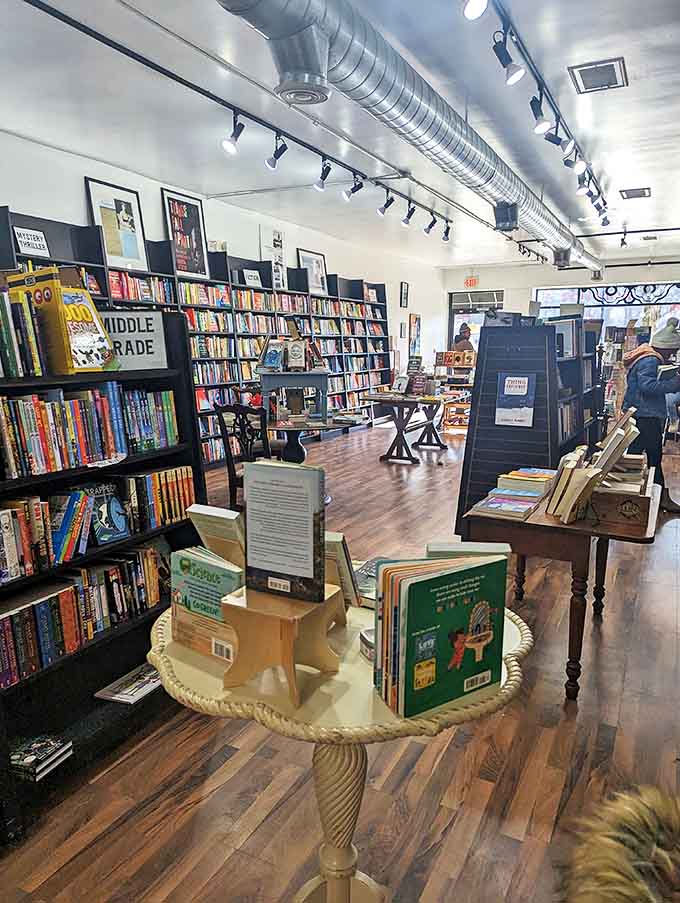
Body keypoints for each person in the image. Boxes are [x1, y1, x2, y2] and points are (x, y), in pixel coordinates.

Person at [622, 320, 680, 513]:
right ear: (665, 348)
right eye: (672, 350)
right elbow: (647, 387)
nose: (672, 355)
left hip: (640, 412)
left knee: (635, 453)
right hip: (646, 414)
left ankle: (627, 493)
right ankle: (661, 497)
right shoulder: (651, 360)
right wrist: (674, 383)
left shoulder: (645, 355)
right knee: (654, 455)